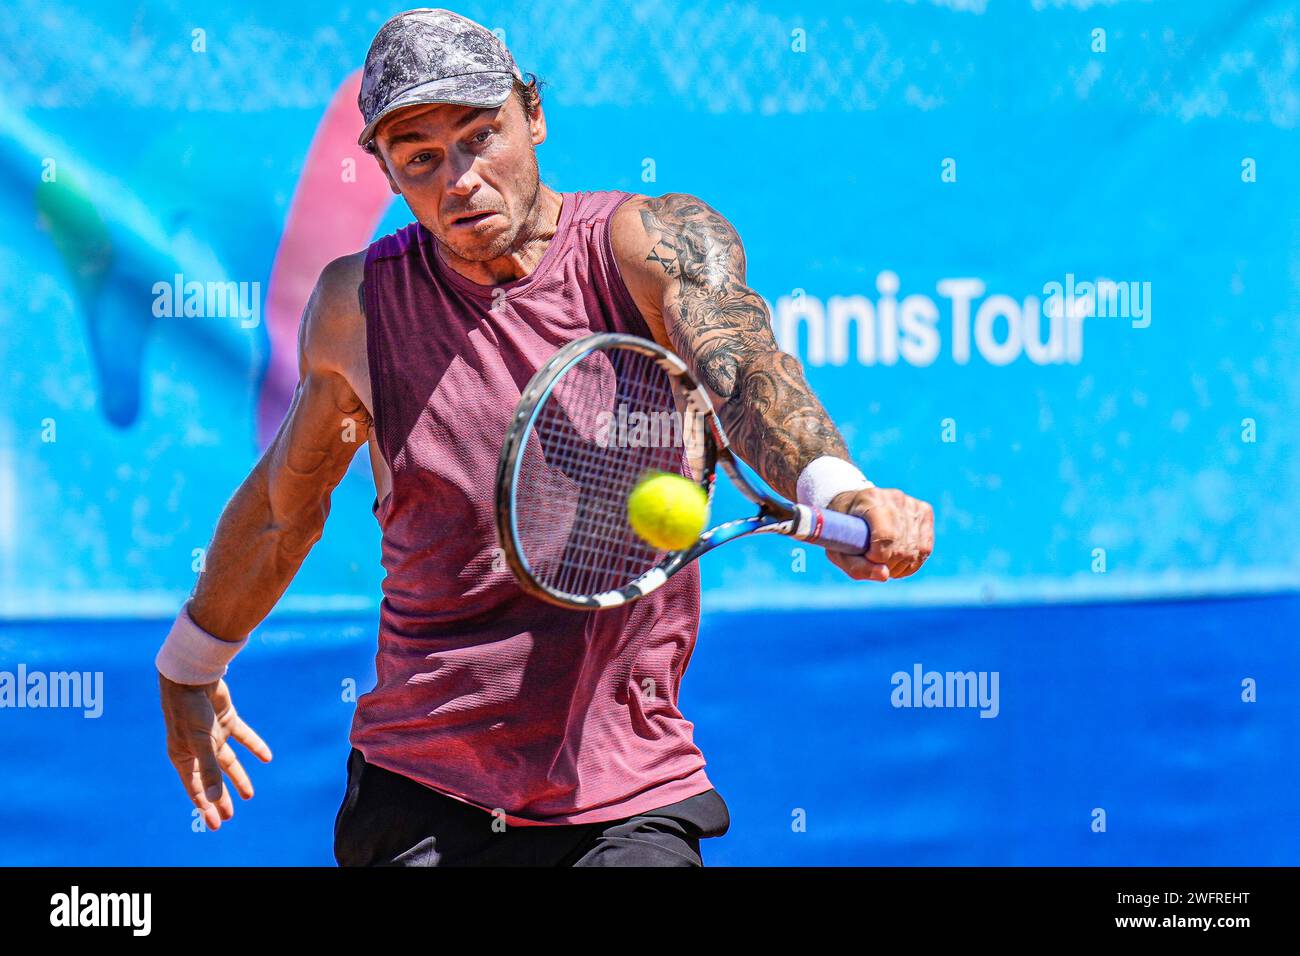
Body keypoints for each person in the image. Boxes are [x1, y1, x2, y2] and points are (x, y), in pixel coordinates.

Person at [155, 8, 934, 867]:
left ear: (534, 114)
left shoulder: (650, 244)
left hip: (630, 792)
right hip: (424, 791)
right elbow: (283, 506)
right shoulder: (358, 308)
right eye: (420, 158)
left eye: (480, 136)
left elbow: (747, 372)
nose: (458, 179)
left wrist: (834, 486)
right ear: (386, 173)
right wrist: (192, 660)